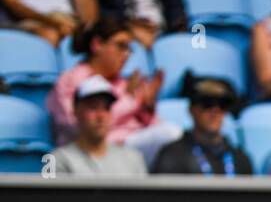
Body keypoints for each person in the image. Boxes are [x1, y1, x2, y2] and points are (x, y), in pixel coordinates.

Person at [47, 17, 179, 164]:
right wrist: (131, 102)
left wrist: (147, 106)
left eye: (129, 48)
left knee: (177, 138)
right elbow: (76, 127)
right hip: (89, 155)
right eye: (120, 46)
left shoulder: (124, 83)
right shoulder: (71, 80)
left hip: (128, 152)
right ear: (97, 45)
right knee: (170, 134)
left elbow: (152, 125)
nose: (126, 54)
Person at [151, 76, 254, 175]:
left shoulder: (240, 159)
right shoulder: (172, 156)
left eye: (222, 104)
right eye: (207, 103)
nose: (215, 110)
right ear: (191, 110)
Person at [50, 74, 148, 176]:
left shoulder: (133, 159)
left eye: (106, 108)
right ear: (76, 110)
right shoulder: (57, 160)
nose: (101, 116)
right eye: (93, 107)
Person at [98, 0, 187, 49]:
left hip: (165, 32)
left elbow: (176, 10)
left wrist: (177, 34)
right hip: (130, 32)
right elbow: (110, 15)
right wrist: (131, 28)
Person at [2, 0, 94, 46]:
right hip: (32, 19)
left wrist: (87, 29)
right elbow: (14, 5)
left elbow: (88, 14)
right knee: (50, 34)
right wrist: (54, 23)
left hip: (67, 19)